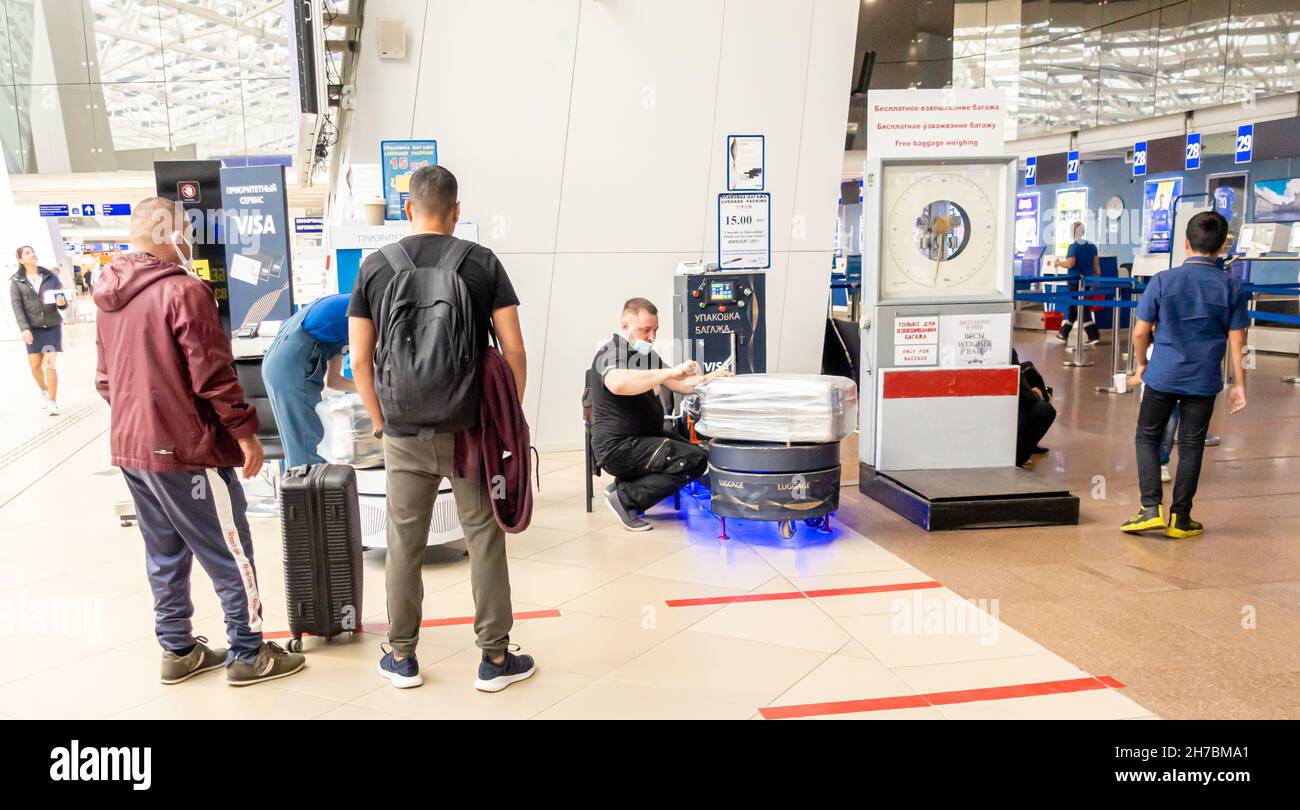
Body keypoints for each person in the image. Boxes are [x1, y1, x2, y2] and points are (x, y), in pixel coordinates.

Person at [95, 197, 305, 686]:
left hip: (132, 448)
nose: (190, 239)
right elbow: (212, 375)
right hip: (186, 449)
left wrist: (144, 419)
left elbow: (105, 381)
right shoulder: (184, 291)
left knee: (163, 550)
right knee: (229, 548)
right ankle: (249, 653)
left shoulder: (106, 294)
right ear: (169, 234)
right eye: (186, 229)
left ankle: (178, 649)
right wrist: (245, 432)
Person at [348, 165, 535, 693]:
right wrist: (505, 417)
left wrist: (384, 424)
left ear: (407, 209)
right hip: (472, 428)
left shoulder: (374, 267)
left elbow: (360, 362)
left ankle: (402, 656)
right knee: (484, 536)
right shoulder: (482, 263)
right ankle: (494, 659)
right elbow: (514, 349)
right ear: (457, 211)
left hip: (404, 428)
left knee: (404, 540)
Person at [1122, 210, 1248, 539]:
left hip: (1163, 375)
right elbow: (1238, 340)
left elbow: (1140, 332)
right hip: (1204, 380)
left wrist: (1141, 366)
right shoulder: (1231, 286)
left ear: (1186, 244)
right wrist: (1239, 385)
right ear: (1222, 247)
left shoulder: (1163, 280)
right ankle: (1181, 518)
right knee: (1191, 445)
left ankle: (1150, 510)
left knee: (1147, 437)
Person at [589, 298, 723, 531]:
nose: (652, 337)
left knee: (698, 453)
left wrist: (709, 379)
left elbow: (679, 384)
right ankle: (626, 498)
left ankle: (622, 486)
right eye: (645, 330)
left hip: (642, 438)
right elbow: (618, 384)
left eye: (655, 330)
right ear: (624, 326)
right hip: (619, 447)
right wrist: (671, 372)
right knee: (693, 461)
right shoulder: (609, 354)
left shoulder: (646, 355)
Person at [261, 292, 355, 467]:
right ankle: (312, 494)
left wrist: (370, 390)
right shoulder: (359, 308)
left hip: (278, 365)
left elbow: (333, 381)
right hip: (292, 365)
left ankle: (304, 491)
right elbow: (363, 367)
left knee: (300, 448)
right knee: (309, 452)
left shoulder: (338, 317)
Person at [10, 246, 68, 415]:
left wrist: (62, 303)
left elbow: (62, 301)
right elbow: (17, 307)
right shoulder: (16, 281)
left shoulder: (51, 277)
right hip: (33, 328)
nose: (32, 254)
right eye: (27, 253)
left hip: (52, 326)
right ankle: (43, 389)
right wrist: (24, 329)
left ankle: (52, 401)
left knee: (49, 364)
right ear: (21, 260)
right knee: (35, 366)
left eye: (33, 251)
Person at [1051, 221, 1100, 345]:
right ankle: (1064, 333)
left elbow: (1070, 263)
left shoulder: (1073, 247)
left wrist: (1057, 263)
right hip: (1088, 281)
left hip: (1075, 281)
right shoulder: (1092, 246)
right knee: (1074, 307)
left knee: (1081, 307)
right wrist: (1097, 280)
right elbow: (1096, 267)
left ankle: (1093, 334)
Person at [1011, 348, 1055, 467]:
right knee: (1046, 411)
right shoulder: (1006, 349)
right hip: (1006, 404)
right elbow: (1021, 390)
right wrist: (1035, 394)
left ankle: (1044, 395)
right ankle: (1019, 455)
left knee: (1028, 368)